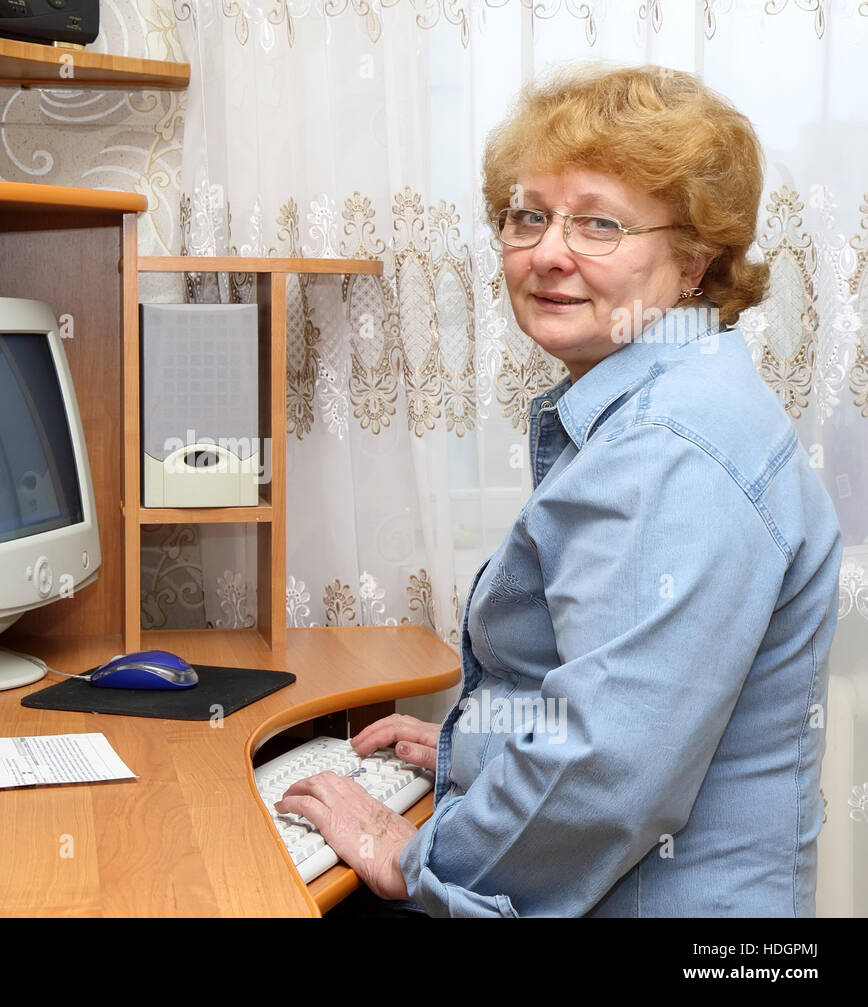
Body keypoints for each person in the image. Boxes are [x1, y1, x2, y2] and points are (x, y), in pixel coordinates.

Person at [276, 64, 843, 917]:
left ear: (693, 259)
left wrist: (417, 853)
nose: (547, 251)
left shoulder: (669, 450)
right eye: (528, 215)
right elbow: (610, 705)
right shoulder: (680, 396)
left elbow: (606, 770)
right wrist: (479, 746)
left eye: (599, 224)